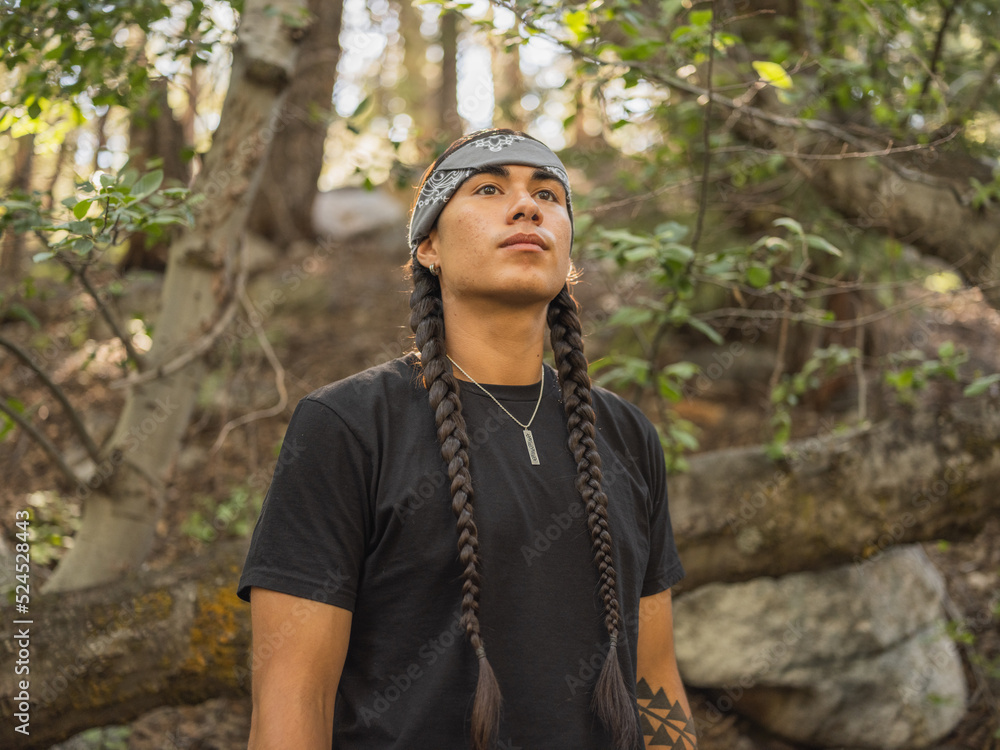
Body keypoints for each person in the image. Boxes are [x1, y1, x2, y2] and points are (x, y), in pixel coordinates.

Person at [238, 128, 697, 750]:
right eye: (488, 189)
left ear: (568, 251)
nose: (527, 206)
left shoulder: (625, 434)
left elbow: (654, 679)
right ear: (429, 246)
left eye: (548, 194)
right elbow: (294, 697)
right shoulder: (348, 425)